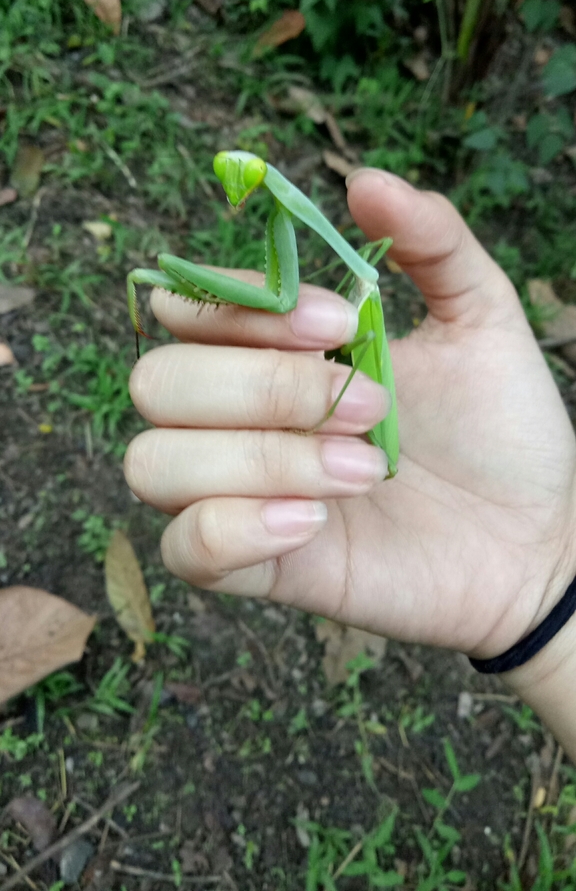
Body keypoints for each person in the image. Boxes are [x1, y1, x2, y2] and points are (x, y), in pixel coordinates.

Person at [124, 167, 576, 760]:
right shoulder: (303, 228)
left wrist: (550, 579)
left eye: (241, 179)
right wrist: (547, 607)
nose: (235, 194)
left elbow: (282, 299)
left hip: (381, 434)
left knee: (286, 306)